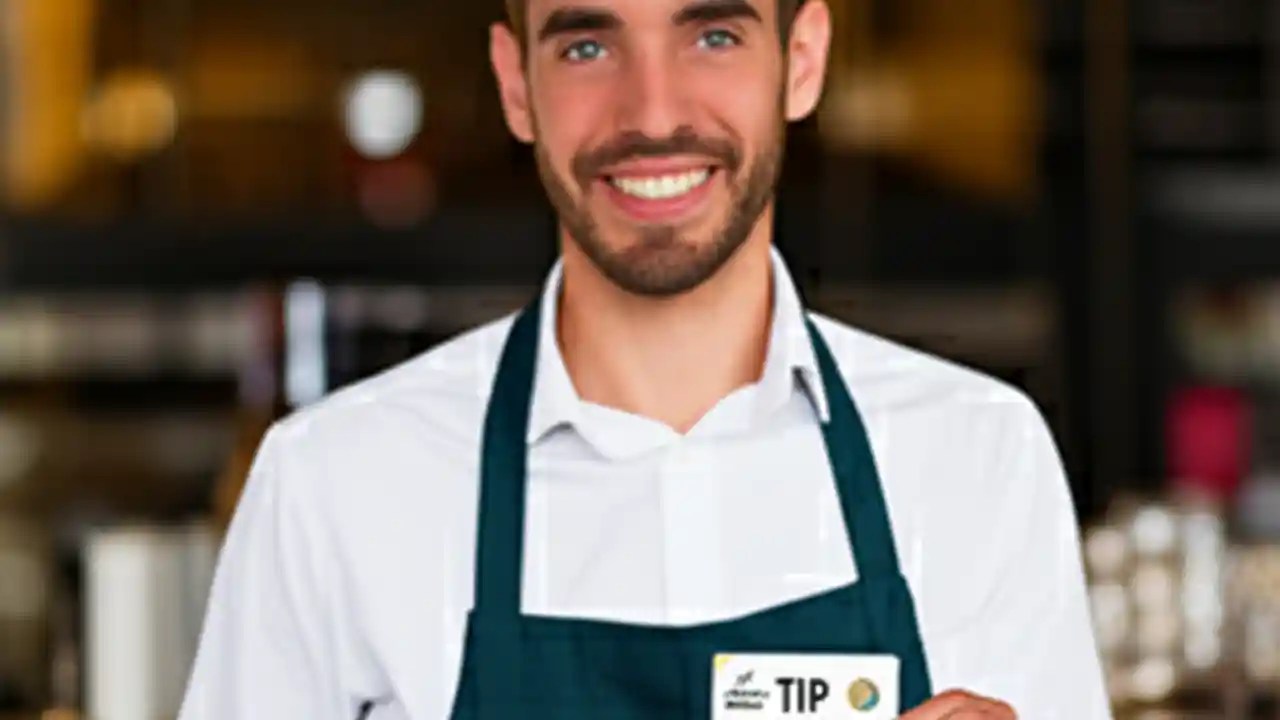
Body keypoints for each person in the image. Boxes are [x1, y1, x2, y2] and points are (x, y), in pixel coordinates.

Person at [178, 0, 1111, 717]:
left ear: (803, 58)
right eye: (587, 45)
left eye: (713, 36)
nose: (653, 111)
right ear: (515, 84)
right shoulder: (332, 483)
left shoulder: (979, 463)